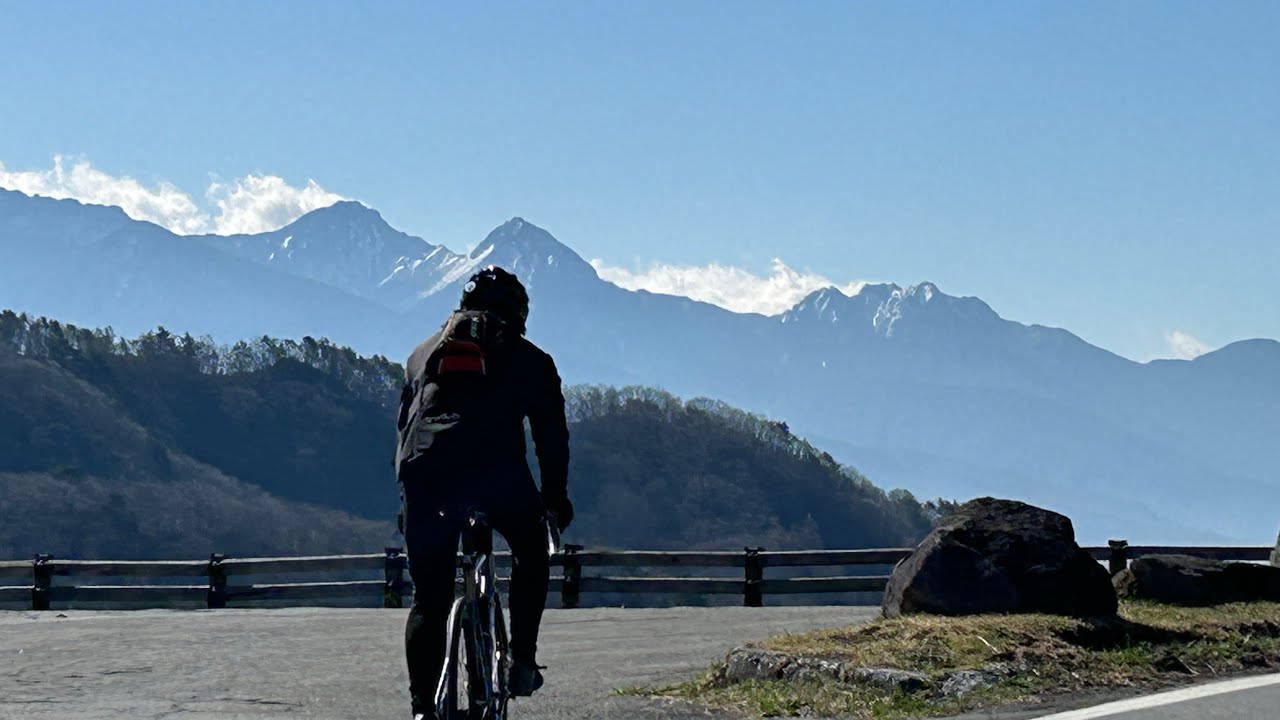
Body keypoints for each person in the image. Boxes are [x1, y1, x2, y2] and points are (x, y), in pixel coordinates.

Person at [395, 265, 573, 719]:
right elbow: (551, 438)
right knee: (533, 552)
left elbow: (405, 430)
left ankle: (422, 709)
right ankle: (522, 663)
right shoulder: (531, 358)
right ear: (519, 314)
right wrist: (554, 501)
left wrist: (408, 504)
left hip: (426, 480)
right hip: (496, 477)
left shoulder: (421, 354)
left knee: (428, 598)